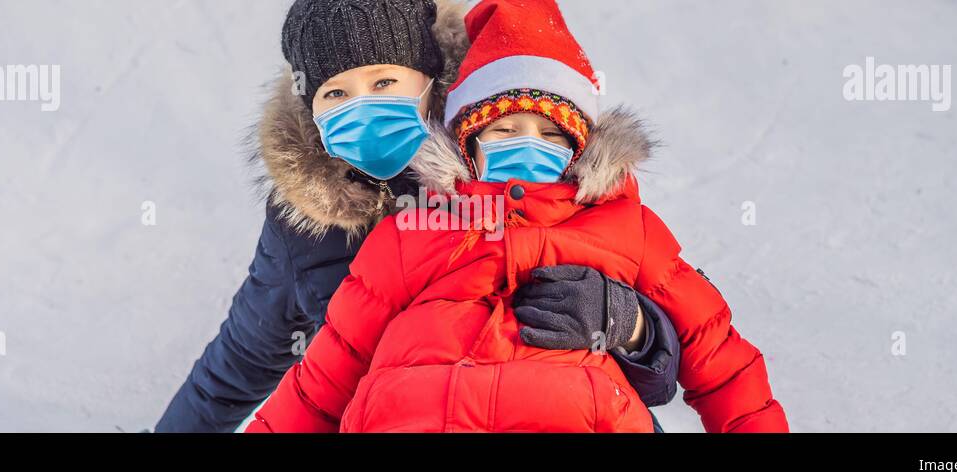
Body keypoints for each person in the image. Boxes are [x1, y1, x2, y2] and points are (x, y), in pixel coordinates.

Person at [245, 0, 788, 433]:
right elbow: (320, 383)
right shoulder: (413, 232)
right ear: (468, 146)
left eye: (552, 133)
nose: (528, 146)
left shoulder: (623, 228)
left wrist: (630, 323)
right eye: (504, 130)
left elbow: (720, 357)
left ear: (579, 149)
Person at [156, 0, 681, 433]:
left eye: (384, 82)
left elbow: (675, 341)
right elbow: (243, 359)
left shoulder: (516, 153)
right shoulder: (307, 230)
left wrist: (627, 323)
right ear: (310, 110)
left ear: (434, 78)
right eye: (336, 93)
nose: (363, 107)